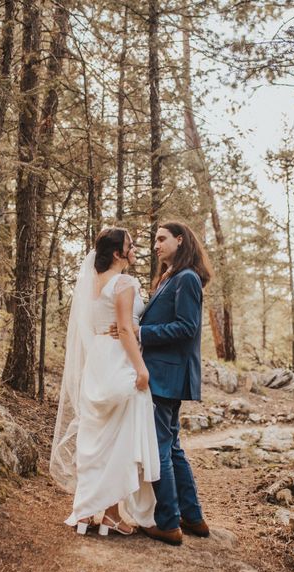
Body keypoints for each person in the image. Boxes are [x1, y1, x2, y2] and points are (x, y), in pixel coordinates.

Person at [50, 228, 160, 536]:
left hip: (97, 360)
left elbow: (105, 325)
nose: (135, 248)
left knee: (96, 438)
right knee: (121, 441)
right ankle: (110, 514)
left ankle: (87, 512)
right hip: (119, 360)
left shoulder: (91, 283)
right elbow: (125, 330)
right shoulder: (124, 282)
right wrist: (141, 370)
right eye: (130, 245)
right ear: (117, 253)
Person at [116, 221, 212, 546]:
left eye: (161, 239)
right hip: (164, 372)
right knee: (172, 446)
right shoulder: (170, 278)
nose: (156, 245)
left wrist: (141, 333)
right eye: (155, 240)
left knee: (160, 447)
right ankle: (193, 517)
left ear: (180, 240)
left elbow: (186, 327)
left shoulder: (186, 278)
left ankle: (168, 522)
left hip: (166, 374)